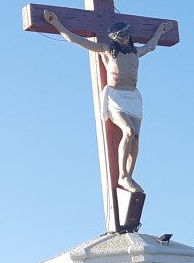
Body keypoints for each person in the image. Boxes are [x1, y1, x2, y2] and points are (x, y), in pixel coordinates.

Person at [43, 10, 173, 194]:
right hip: (116, 96)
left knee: (135, 139)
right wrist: (56, 23)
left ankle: (130, 175)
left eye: (126, 35)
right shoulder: (107, 50)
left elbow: (151, 46)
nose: (125, 38)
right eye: (121, 37)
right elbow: (76, 40)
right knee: (129, 131)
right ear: (115, 38)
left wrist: (160, 31)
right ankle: (123, 175)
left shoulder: (135, 52)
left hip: (133, 96)